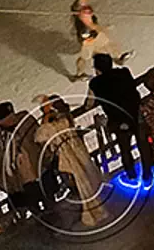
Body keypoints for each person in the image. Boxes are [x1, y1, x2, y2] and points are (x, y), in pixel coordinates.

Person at [35, 97, 106, 228]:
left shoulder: (59, 123)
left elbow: (40, 136)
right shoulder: (64, 119)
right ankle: (91, 209)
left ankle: (89, 212)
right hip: (75, 154)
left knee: (79, 184)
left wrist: (46, 116)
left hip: (69, 157)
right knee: (82, 183)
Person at [88, 53, 144, 179]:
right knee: (143, 144)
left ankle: (131, 175)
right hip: (135, 114)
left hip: (118, 121)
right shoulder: (124, 72)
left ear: (97, 69)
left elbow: (88, 103)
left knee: (125, 149)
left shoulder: (96, 83)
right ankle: (148, 170)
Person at [0, 101, 43, 222]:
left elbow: (39, 138)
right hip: (15, 179)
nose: (12, 120)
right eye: (8, 119)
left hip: (36, 168)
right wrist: (2, 181)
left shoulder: (25, 120)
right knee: (28, 205)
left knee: (46, 197)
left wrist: (47, 157)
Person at [70, 0, 127, 80]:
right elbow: (89, 23)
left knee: (106, 44)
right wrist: (102, 29)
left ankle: (118, 57)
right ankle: (78, 75)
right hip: (88, 35)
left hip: (90, 33)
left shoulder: (80, 6)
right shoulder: (82, 10)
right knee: (85, 56)